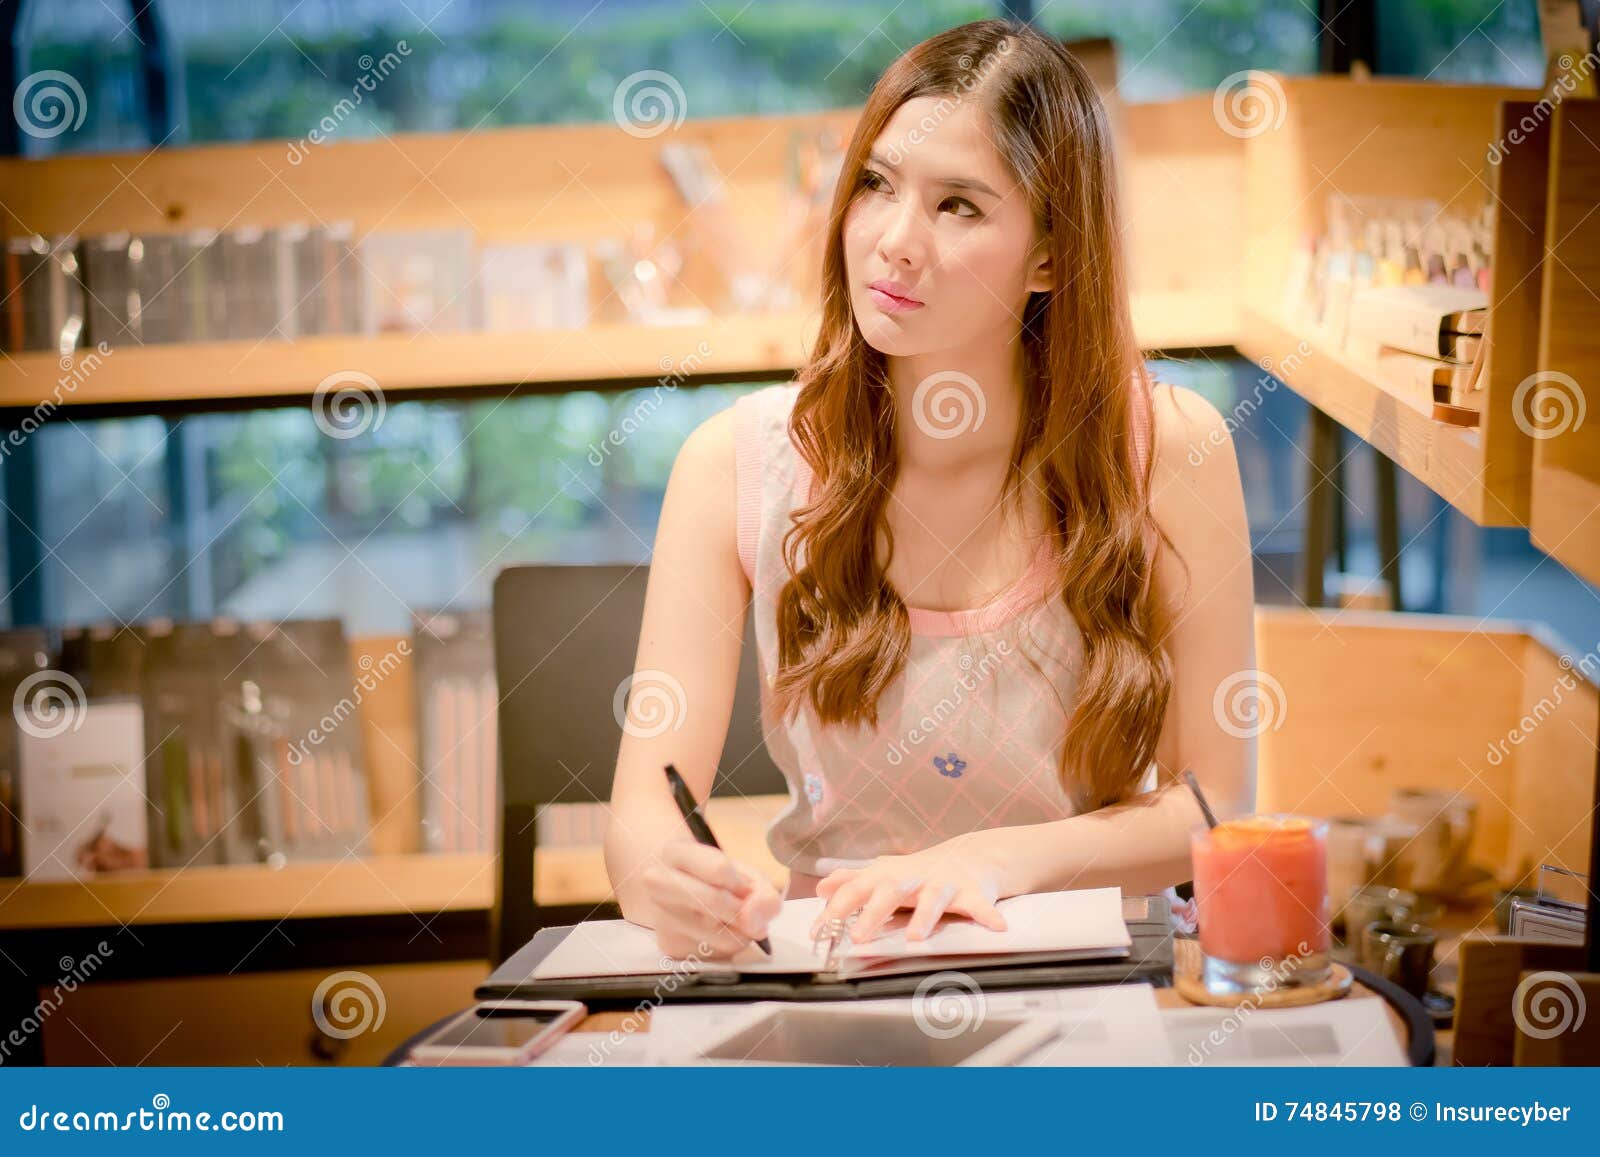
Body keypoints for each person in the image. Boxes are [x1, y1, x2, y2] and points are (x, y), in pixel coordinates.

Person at [603, 18, 1255, 961]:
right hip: (834, 969)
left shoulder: (1164, 449)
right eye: (876, 184)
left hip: (1083, 963)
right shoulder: (734, 465)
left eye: (960, 206)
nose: (894, 242)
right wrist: (668, 880)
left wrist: (990, 860)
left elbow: (1216, 800)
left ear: (1051, 255)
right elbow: (642, 820)